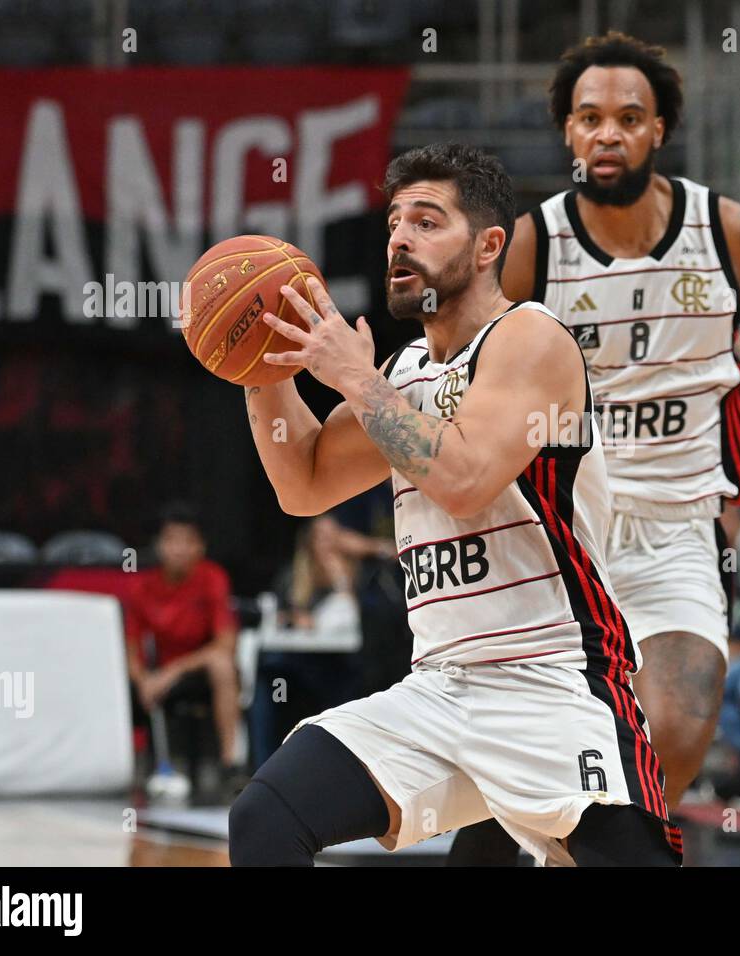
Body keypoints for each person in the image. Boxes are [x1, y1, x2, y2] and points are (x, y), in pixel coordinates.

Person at [228, 143, 680, 867]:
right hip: (440, 690)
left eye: (427, 222)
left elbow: (464, 478)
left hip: (552, 687)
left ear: (488, 246)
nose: (400, 239)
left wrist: (354, 379)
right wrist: (260, 364)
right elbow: (303, 484)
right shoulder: (405, 371)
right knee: (266, 817)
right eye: (393, 224)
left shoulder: (529, 337)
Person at [500, 29, 740, 808]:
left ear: (658, 130)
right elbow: (476, 377)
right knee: (532, 766)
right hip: (563, 530)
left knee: (674, 738)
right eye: (590, 118)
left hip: (678, 529)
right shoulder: (533, 246)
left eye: (628, 118)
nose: (608, 134)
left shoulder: (731, 232)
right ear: (568, 131)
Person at [123, 502, 243, 789]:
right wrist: (143, 680)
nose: (179, 549)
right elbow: (131, 650)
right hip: (155, 675)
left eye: (187, 541)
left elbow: (226, 644)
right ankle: (122, 769)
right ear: (159, 545)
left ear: (200, 547)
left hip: (198, 671)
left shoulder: (212, 578)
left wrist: (172, 672)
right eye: (171, 540)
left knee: (223, 665)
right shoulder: (141, 588)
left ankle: (230, 764)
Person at [247, 515, 368, 769]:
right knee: (270, 686)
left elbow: (355, 619)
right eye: (321, 538)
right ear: (309, 542)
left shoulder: (356, 575)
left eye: (333, 537)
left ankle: (340, 765)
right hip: (294, 666)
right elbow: (278, 615)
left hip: (336, 666)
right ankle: (265, 767)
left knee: (345, 688)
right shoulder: (294, 574)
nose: (327, 544)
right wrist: (295, 618)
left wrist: (340, 576)